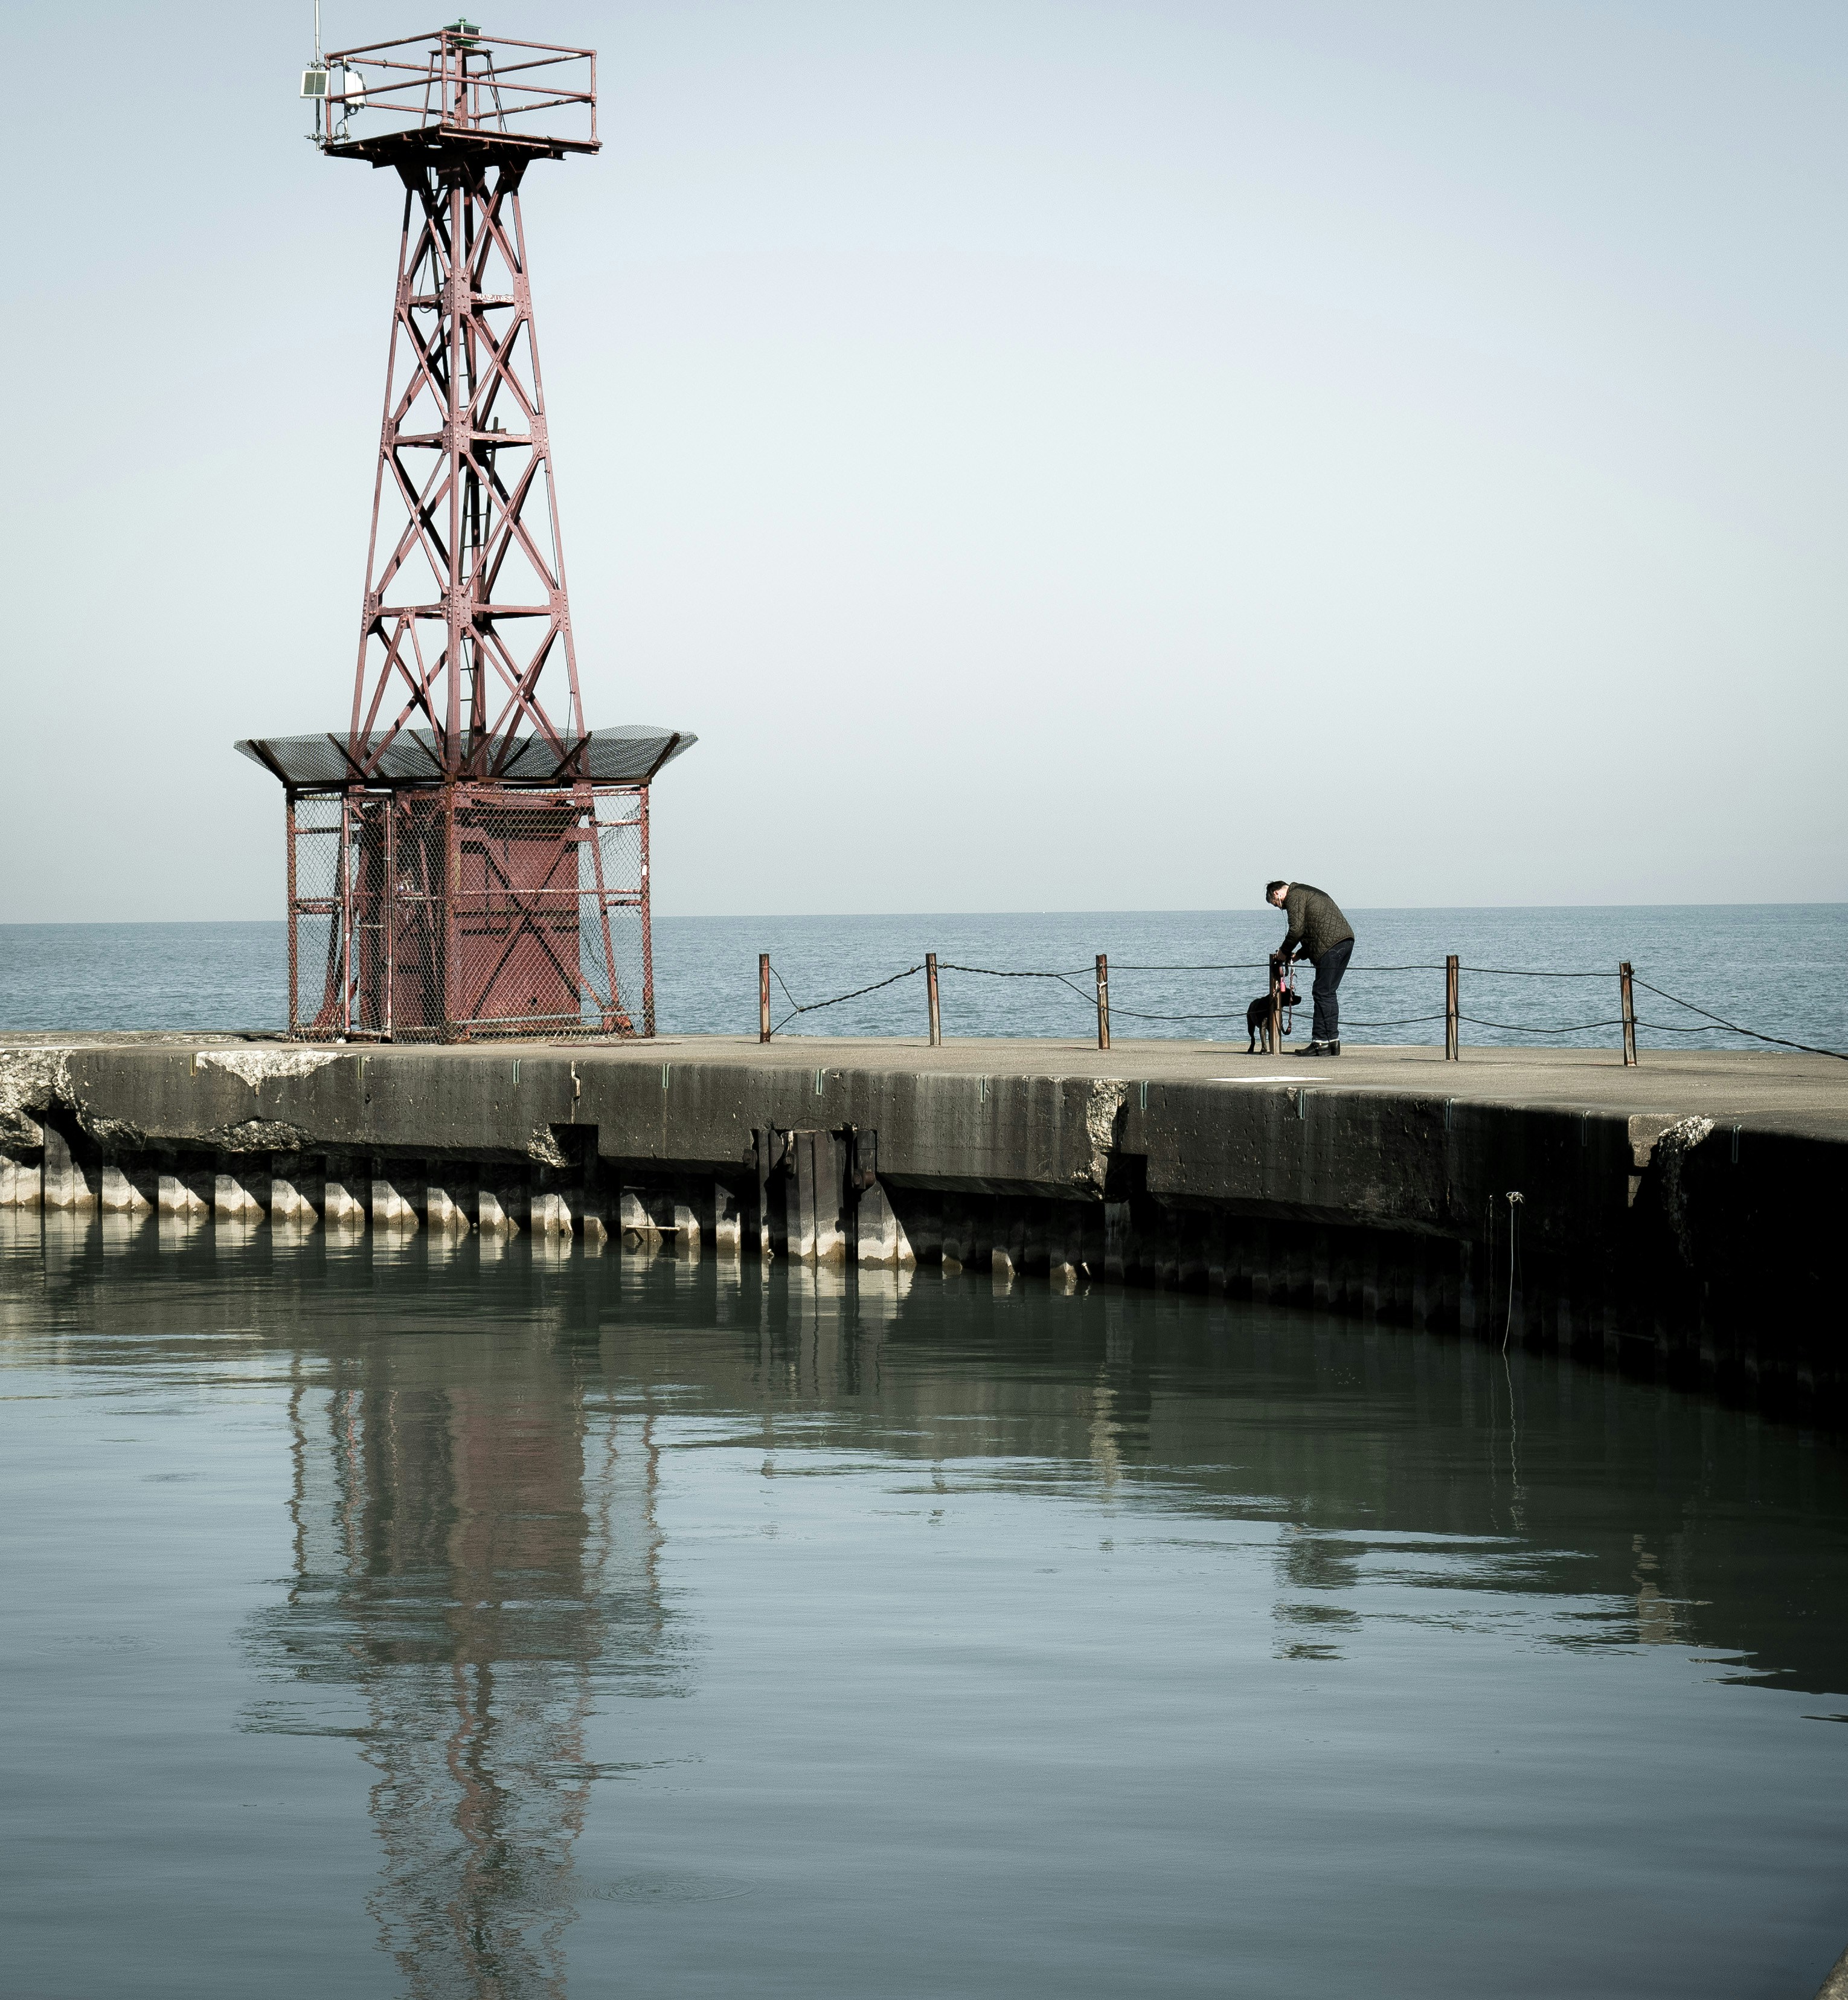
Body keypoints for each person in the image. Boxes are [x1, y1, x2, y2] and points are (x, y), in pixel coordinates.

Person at [1266, 879, 1355, 1057]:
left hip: (1330, 946)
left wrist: (1283, 953)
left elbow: (1297, 930)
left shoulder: (1294, 896)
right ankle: (1332, 1042)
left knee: (1321, 992)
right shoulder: (1305, 893)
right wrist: (1299, 955)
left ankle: (1320, 1042)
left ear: (1277, 894)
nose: (1279, 908)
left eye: (1275, 904)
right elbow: (1314, 929)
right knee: (1328, 992)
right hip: (1344, 941)